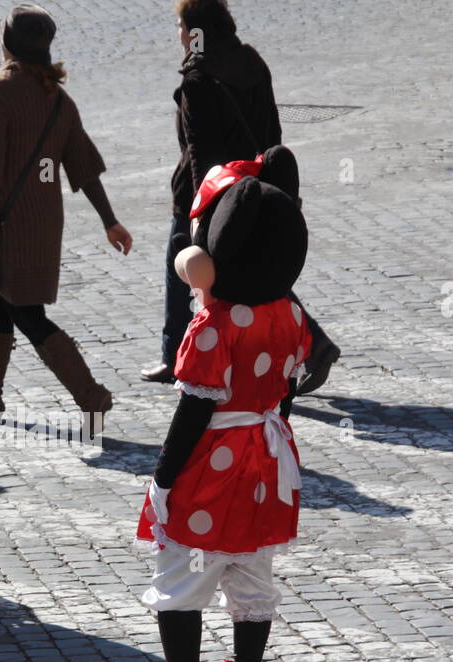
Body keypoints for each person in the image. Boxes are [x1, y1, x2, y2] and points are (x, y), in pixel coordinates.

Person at [124, 148, 310, 662]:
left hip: (215, 465)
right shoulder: (290, 315)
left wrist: (162, 477)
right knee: (253, 571)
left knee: (182, 572)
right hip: (268, 461)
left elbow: (193, 414)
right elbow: (288, 391)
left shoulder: (212, 326)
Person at [0, 4, 132, 436]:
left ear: (7, 43)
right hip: (43, 220)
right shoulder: (58, 98)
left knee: (27, 312)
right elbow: (83, 166)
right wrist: (109, 220)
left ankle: (91, 395)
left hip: (5, 219)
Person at [141, 0, 281, 385]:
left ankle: (174, 357)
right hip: (256, 185)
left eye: (181, 26)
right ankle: (313, 346)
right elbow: (273, 129)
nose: (179, 34)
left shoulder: (198, 81)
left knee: (180, 267)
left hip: (205, 196)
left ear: (197, 34)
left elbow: (202, 154)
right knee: (257, 271)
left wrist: (205, 210)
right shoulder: (252, 63)